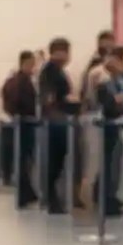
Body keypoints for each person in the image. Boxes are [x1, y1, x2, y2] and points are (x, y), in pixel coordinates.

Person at [40, 37, 78, 214]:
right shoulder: (50, 72)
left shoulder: (58, 71)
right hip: (55, 122)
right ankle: (51, 198)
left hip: (60, 120)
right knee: (54, 161)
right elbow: (50, 99)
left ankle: (53, 197)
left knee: (57, 161)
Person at [1, 50, 39, 207]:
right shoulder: (22, 82)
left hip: (21, 122)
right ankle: (25, 193)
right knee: (24, 159)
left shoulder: (13, 81)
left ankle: (27, 192)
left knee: (23, 159)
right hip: (25, 123)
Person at [94, 47, 123, 216]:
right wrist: (117, 101)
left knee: (117, 164)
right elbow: (107, 104)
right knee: (109, 163)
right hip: (110, 126)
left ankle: (113, 195)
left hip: (122, 125)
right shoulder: (103, 84)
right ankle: (105, 197)